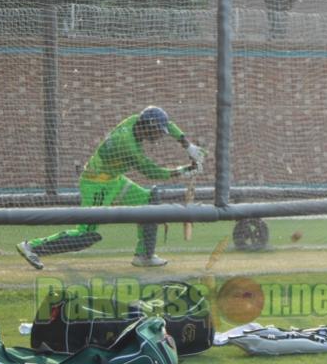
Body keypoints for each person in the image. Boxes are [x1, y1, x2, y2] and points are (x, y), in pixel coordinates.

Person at [16, 106, 205, 269]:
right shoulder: (128, 146)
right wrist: (184, 171)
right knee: (85, 235)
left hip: (114, 180)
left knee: (149, 200)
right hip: (97, 185)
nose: (160, 135)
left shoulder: (135, 120)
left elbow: (169, 125)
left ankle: (144, 256)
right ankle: (31, 247)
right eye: (157, 131)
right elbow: (152, 172)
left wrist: (188, 146)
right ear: (148, 126)